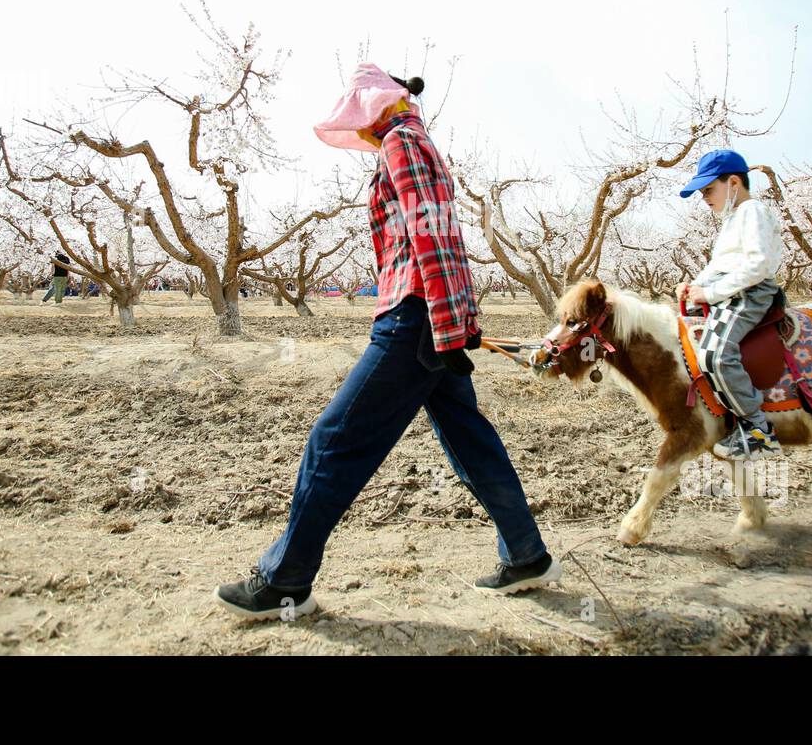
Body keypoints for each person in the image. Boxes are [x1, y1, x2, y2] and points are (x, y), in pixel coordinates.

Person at [215, 64, 560, 620]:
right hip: (432, 314)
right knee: (470, 439)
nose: (362, 134)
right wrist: (460, 320)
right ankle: (526, 554)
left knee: (335, 440)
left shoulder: (402, 142)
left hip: (413, 318)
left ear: (375, 110)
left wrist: (449, 326)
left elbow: (434, 235)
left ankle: (286, 580)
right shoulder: (413, 142)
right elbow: (444, 236)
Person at [676, 149, 787, 461]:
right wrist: (695, 285)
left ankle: (758, 429)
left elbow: (758, 264)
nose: (705, 198)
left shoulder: (752, 211)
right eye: (702, 193)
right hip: (730, 290)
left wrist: (709, 294)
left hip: (750, 293)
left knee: (717, 354)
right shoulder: (731, 219)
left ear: (734, 182)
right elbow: (719, 265)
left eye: (709, 189)